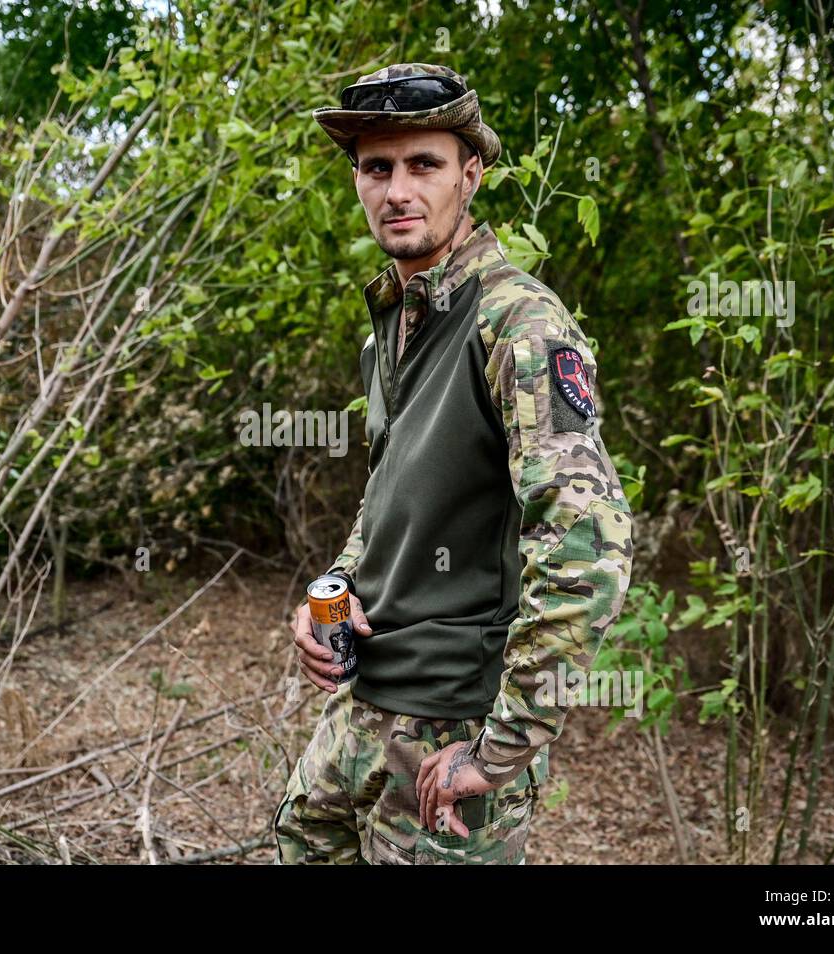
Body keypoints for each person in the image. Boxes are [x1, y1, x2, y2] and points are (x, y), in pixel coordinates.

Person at [272, 64, 634, 865]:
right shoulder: (393, 328)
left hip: (449, 735)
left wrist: (500, 749)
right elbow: (391, 500)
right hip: (360, 715)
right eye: (377, 168)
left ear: (470, 173)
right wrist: (333, 590)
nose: (398, 190)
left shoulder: (517, 323)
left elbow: (590, 547)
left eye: (423, 164)